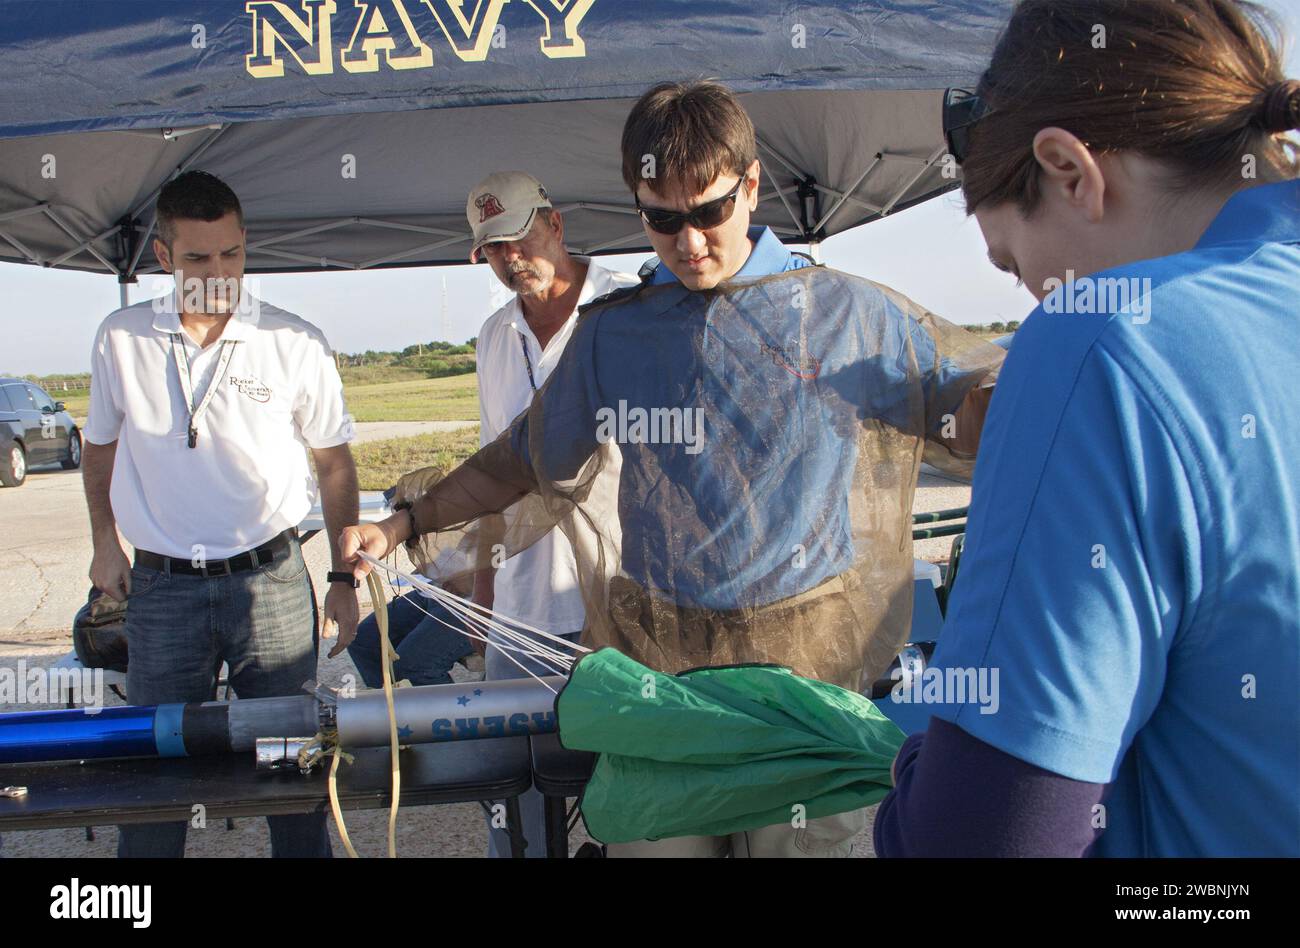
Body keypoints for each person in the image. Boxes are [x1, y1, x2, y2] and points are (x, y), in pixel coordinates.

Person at [341, 81, 1004, 858]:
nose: (688, 242)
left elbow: (969, 410)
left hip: (807, 679)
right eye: (662, 220)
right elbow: (520, 459)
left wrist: (1027, 391)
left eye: (709, 213)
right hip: (665, 676)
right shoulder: (616, 335)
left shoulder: (846, 316)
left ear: (751, 185)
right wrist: (404, 522)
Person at [875, 0, 1300, 857]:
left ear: (1070, 170)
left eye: (1016, 265)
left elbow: (985, 839)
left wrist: (913, 778)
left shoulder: (1103, 343)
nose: (1033, 298)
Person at [83, 170, 360, 858]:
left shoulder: (294, 340)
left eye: (232, 254)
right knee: (157, 788)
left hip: (271, 585)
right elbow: (98, 447)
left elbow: (336, 465)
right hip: (162, 591)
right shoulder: (120, 338)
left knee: (295, 775)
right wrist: (103, 543)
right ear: (162, 257)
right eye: (199, 258)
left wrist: (343, 580)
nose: (219, 273)